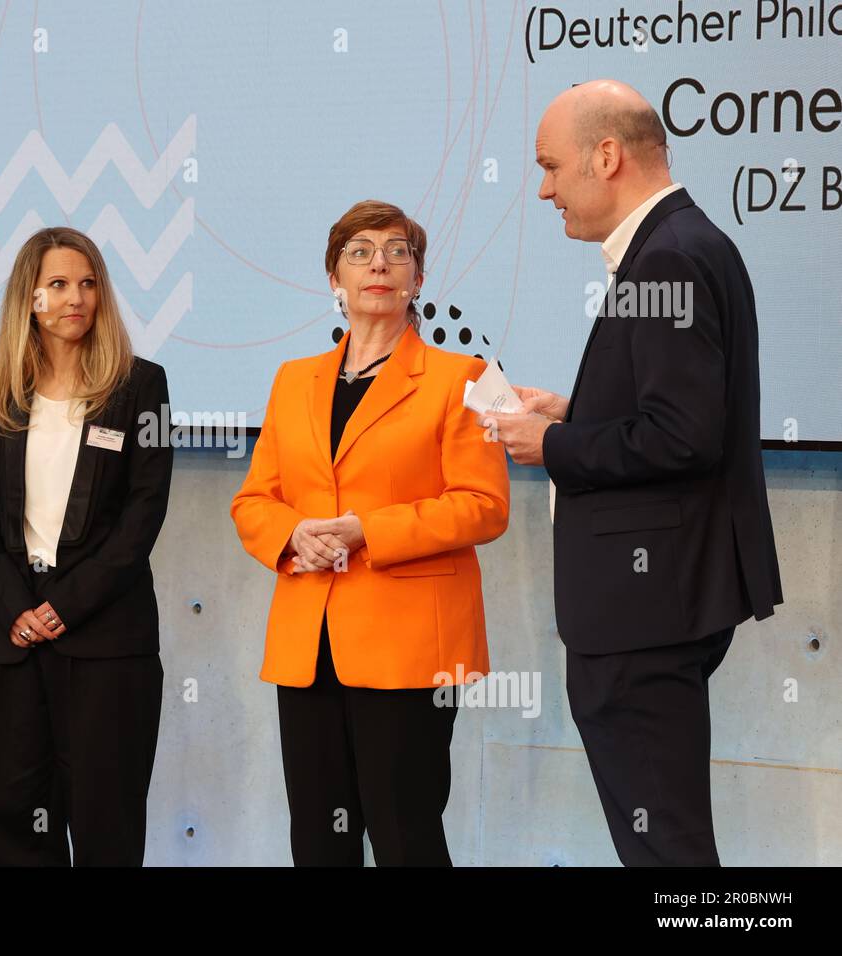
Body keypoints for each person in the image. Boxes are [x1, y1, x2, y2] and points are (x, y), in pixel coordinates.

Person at [485, 80, 783, 865]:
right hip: (657, 600)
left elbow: (682, 437)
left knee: (668, 851)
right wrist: (571, 415)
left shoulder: (670, 259)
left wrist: (548, 446)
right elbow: (677, 411)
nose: (544, 188)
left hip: (643, 607)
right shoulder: (683, 244)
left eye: (551, 166)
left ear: (606, 155)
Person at [230, 200, 509, 866]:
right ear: (334, 279)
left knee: (404, 834)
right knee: (319, 839)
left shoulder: (468, 377)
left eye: (396, 250)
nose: (378, 263)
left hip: (409, 647)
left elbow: (484, 505)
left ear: (417, 278)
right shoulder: (292, 380)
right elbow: (253, 501)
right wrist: (294, 534)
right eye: (358, 251)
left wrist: (366, 531)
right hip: (309, 643)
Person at [0, 227, 173, 866]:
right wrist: (14, 609)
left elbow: (144, 513)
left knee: (106, 821)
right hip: (13, 636)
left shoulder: (143, 386)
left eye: (87, 283)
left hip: (107, 639)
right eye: (57, 284)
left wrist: (66, 607)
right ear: (30, 298)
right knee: (16, 821)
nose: (75, 297)